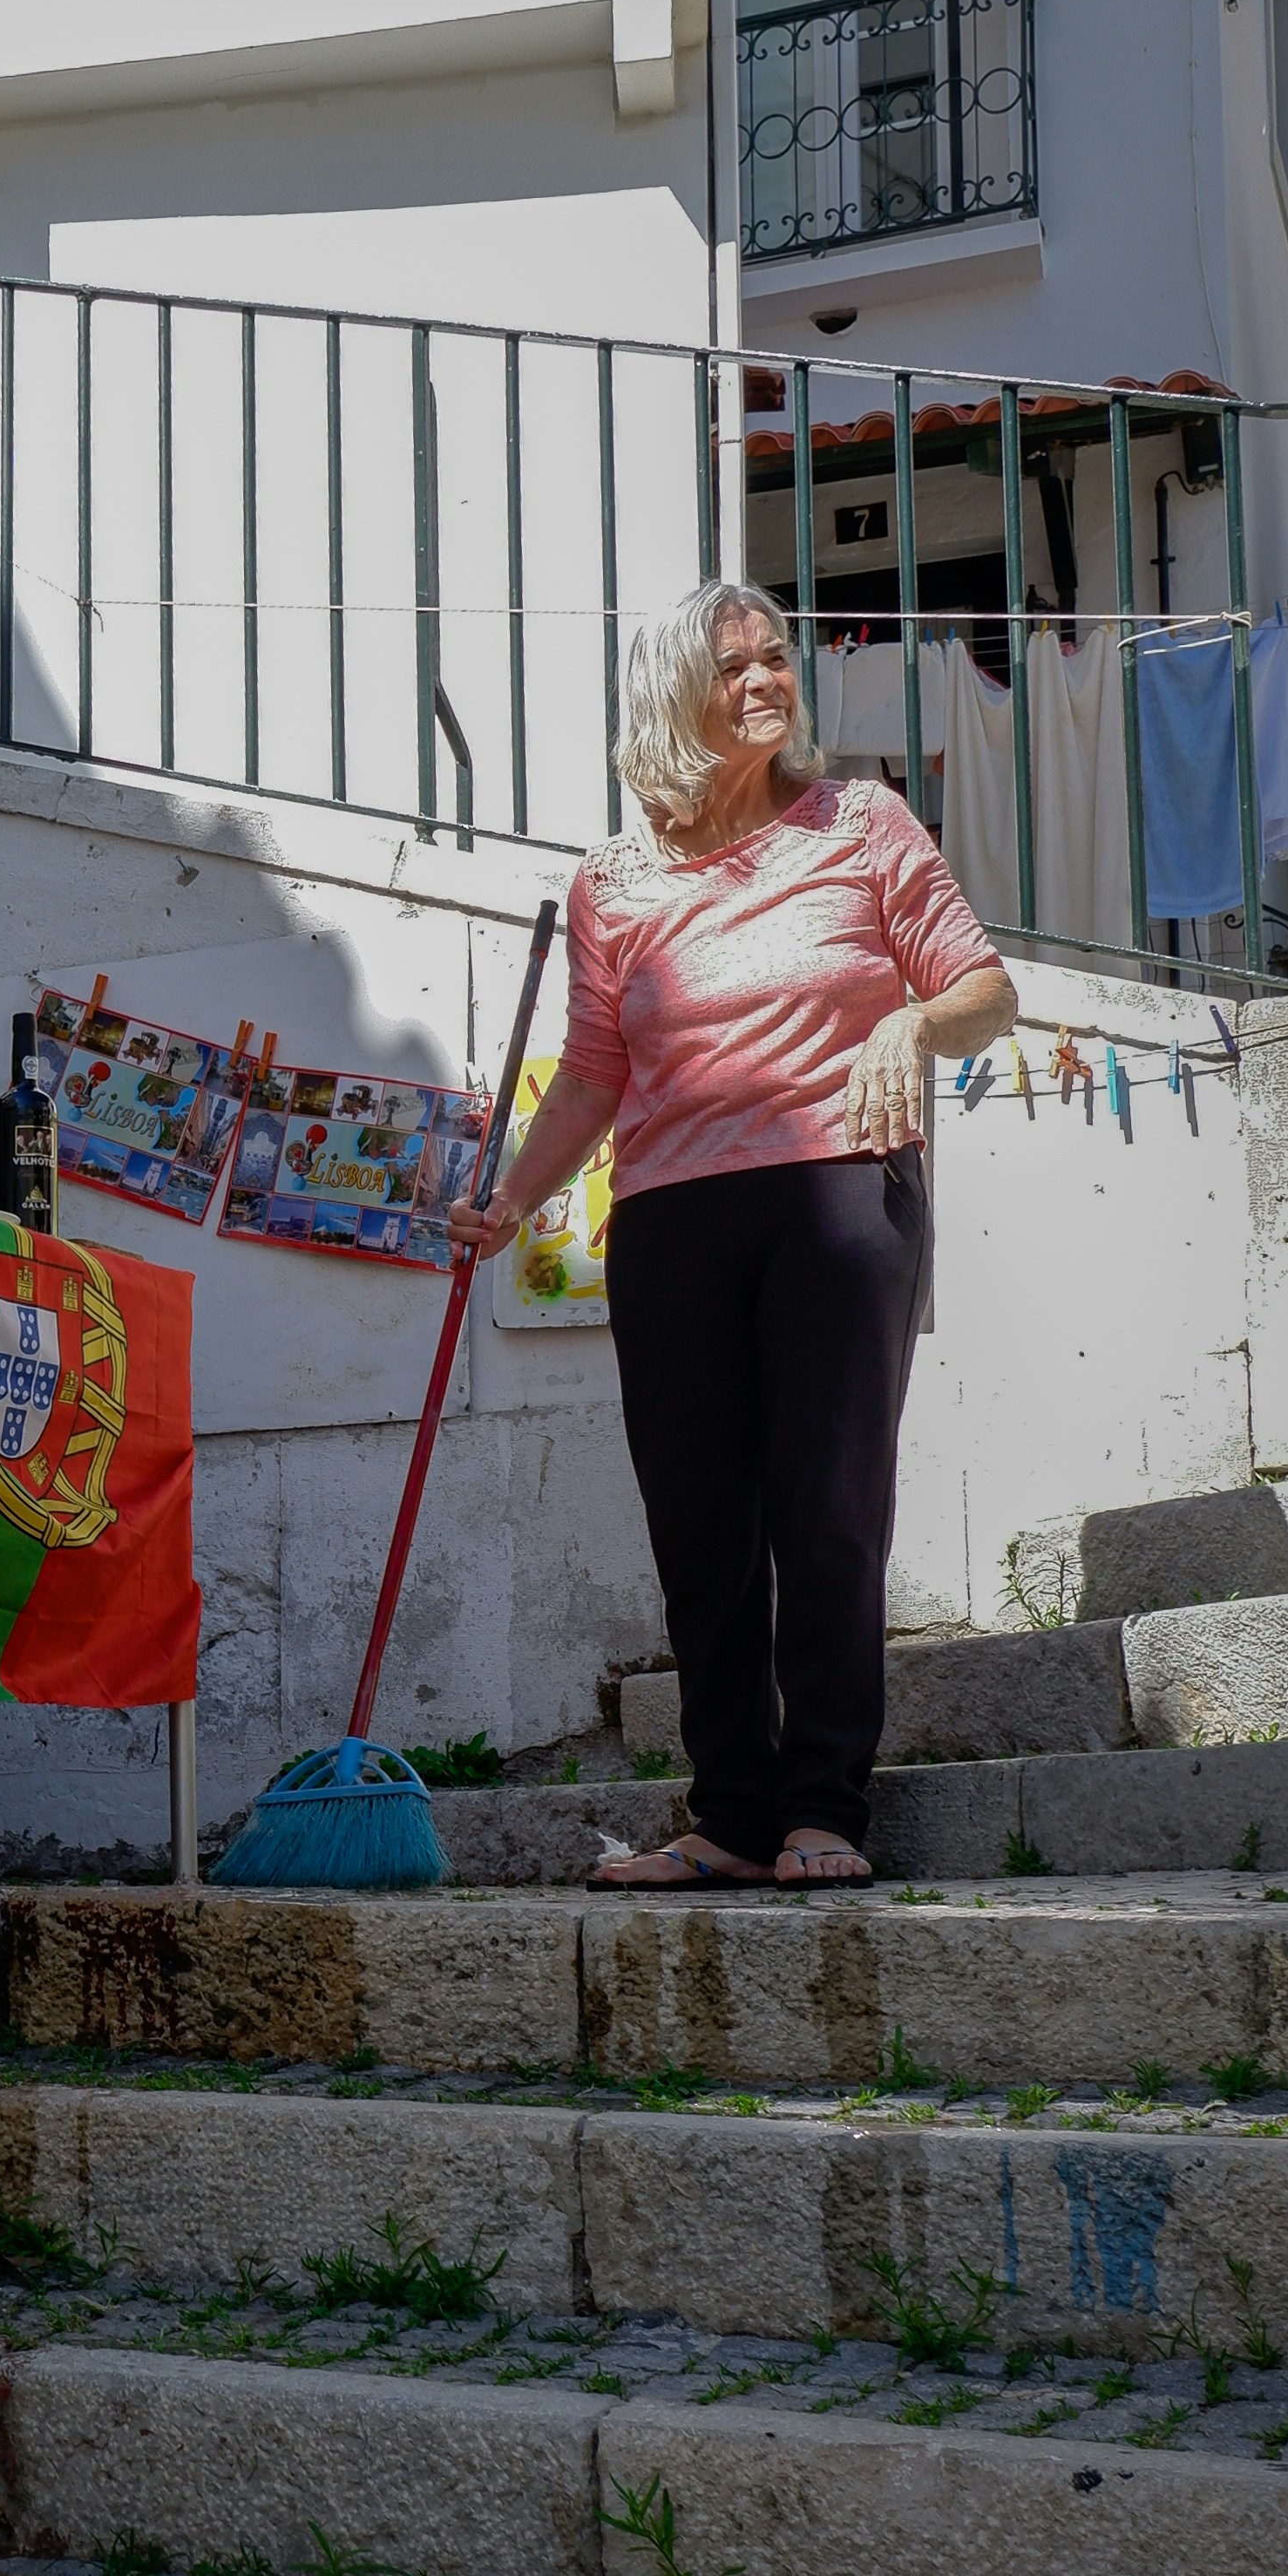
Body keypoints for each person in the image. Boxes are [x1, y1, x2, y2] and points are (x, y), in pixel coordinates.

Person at [449, 580, 1018, 1890]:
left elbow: (983, 990)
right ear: (670, 699)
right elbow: (592, 1075)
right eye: (733, 664)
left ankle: (821, 1804)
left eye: (775, 657)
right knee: (698, 1524)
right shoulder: (609, 883)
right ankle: (726, 1816)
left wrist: (906, 1023)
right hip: (669, 1222)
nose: (766, 678)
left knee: (825, 1510)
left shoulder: (863, 822)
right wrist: (514, 1202)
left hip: (838, 1194)